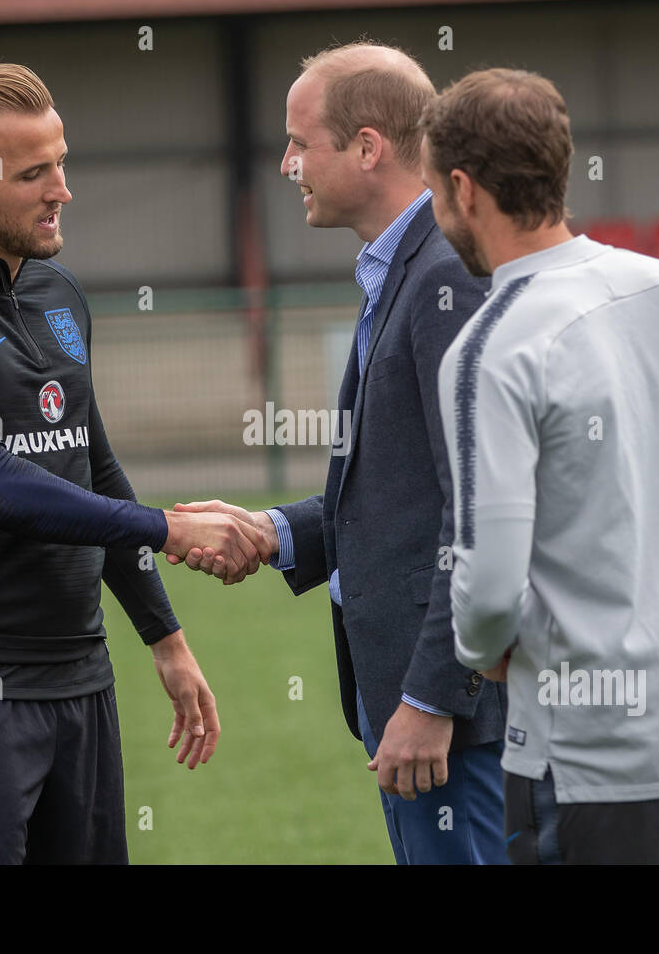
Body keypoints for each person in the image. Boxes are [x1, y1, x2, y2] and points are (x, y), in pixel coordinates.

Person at [0, 63, 270, 864]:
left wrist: (165, 638)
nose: (62, 190)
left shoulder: (57, 293)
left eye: (61, 162)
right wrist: (170, 530)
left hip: (81, 679)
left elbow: (92, 470)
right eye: (35, 172)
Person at [421, 67, 659, 863]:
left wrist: (484, 645)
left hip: (594, 754)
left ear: (464, 189)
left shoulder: (495, 342)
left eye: (432, 189)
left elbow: (488, 596)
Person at [171, 42, 509, 864]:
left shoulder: (444, 276)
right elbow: (397, 496)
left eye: (300, 143)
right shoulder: (402, 268)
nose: (288, 164)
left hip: (451, 724)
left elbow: (483, 510)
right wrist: (273, 532)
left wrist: (433, 697)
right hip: (420, 716)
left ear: (367, 147)